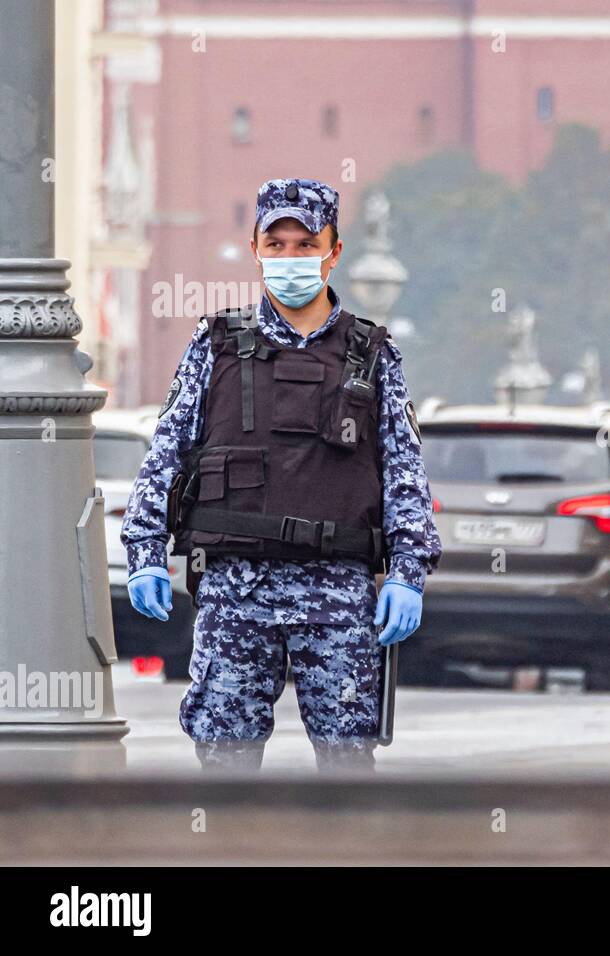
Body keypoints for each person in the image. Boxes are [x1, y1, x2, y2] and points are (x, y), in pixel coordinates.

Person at [121, 178, 441, 772]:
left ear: (333, 251)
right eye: (278, 243)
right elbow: (168, 448)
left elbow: (401, 469)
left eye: (305, 244)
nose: (290, 257)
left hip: (336, 591)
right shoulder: (215, 343)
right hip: (235, 589)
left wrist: (408, 571)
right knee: (224, 761)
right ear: (256, 248)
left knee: (347, 762)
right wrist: (145, 550)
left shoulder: (372, 354)